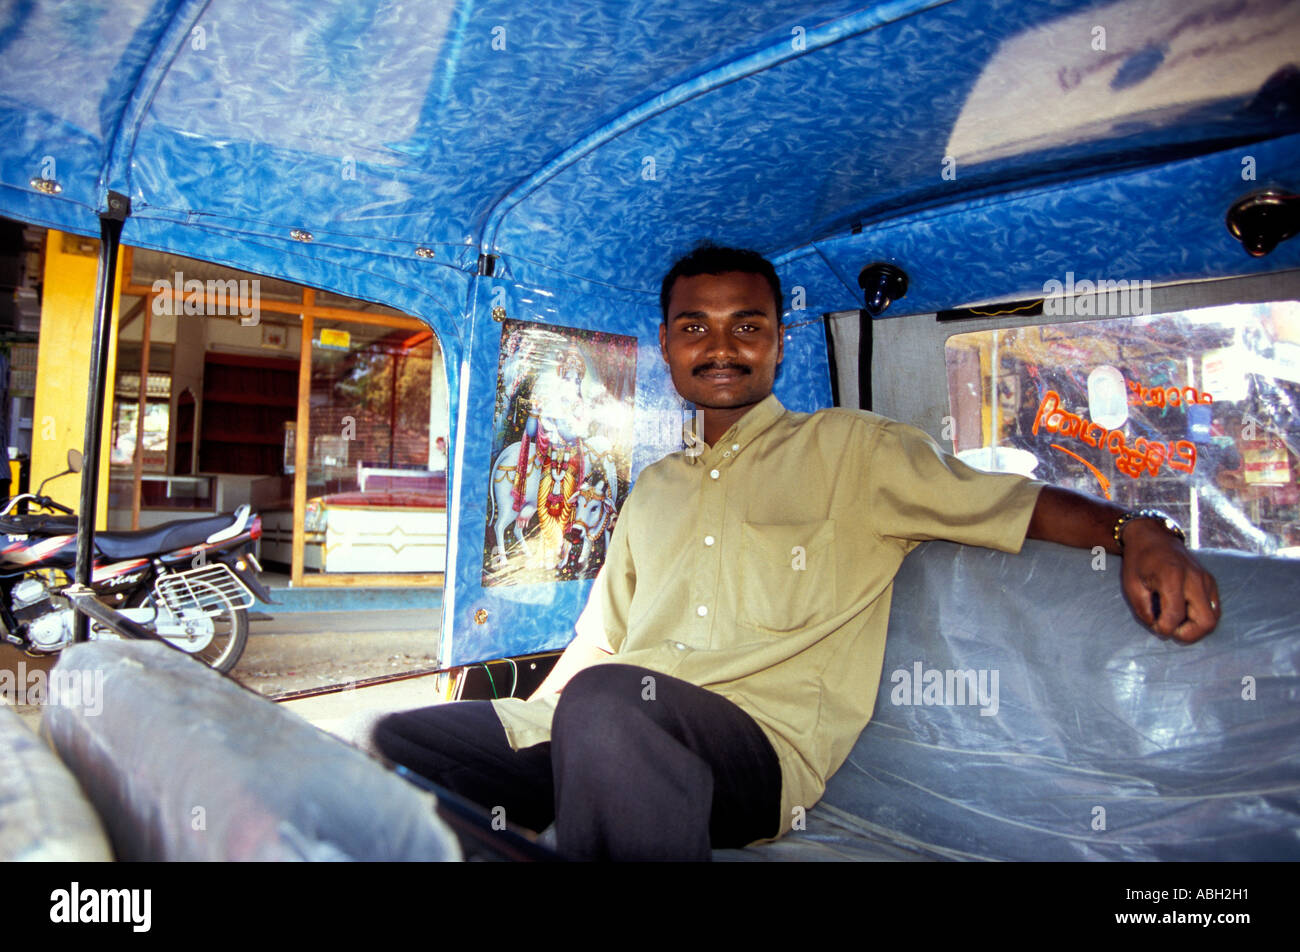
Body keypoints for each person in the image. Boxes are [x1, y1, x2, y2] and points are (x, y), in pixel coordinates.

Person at [374, 245, 1221, 861]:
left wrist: (1135, 531)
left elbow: (1013, 504)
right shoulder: (655, 489)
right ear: (668, 349)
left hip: (753, 755)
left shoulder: (857, 450)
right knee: (402, 743)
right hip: (608, 720)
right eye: (695, 327)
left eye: (747, 326)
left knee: (609, 706)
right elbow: (601, 642)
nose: (721, 346)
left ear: (778, 342)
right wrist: (537, 726)